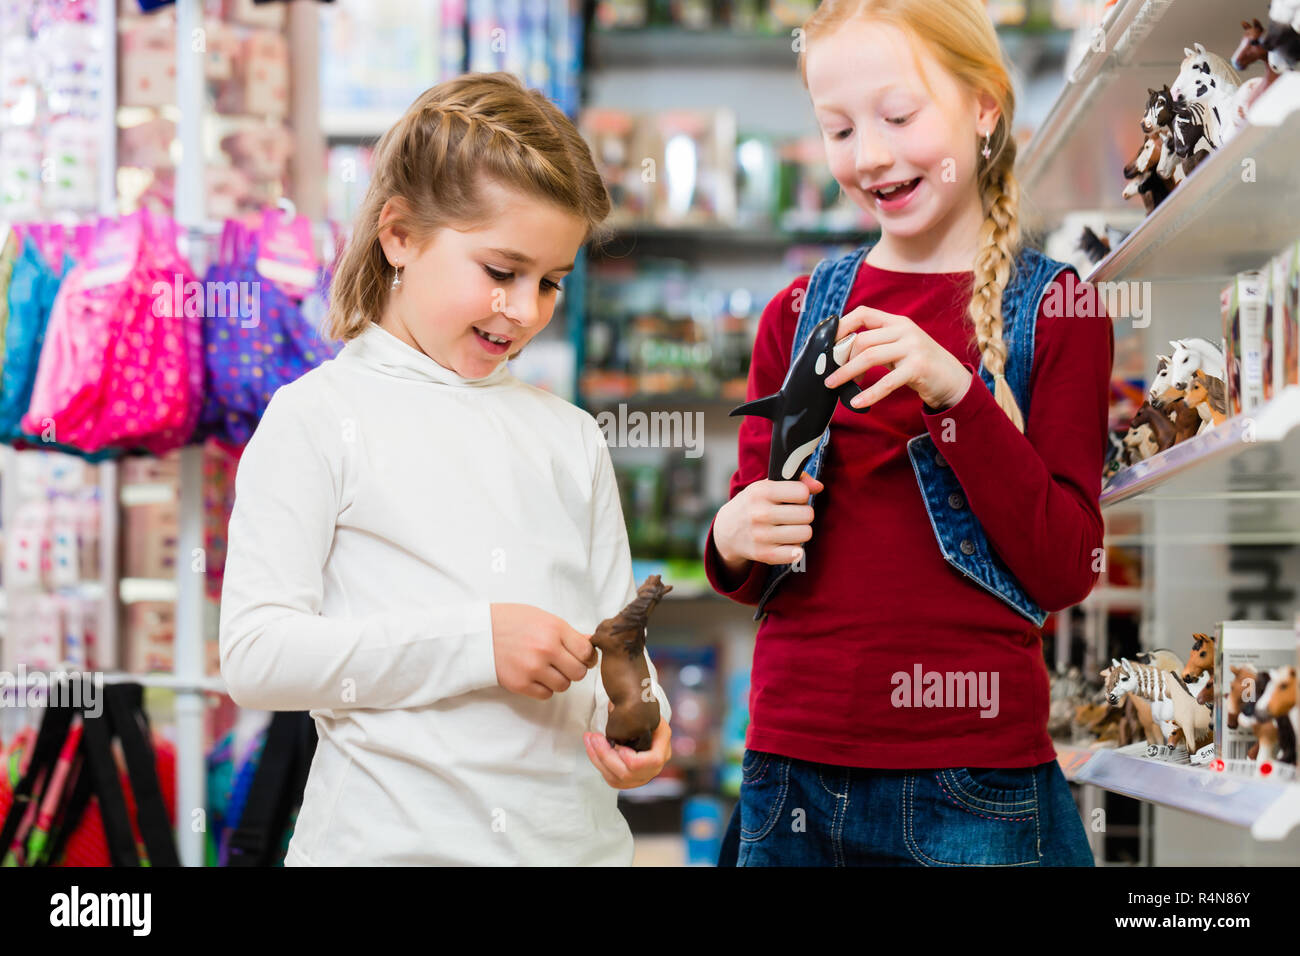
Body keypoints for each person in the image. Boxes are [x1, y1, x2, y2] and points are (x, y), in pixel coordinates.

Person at [219, 72, 672, 866]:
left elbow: (614, 645)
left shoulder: (570, 438)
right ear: (399, 235)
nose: (526, 310)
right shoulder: (317, 419)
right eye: (501, 272)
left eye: (551, 282)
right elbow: (257, 657)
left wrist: (642, 720)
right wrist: (474, 643)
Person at [707, 0, 1112, 866]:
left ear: (982, 107)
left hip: (975, 780)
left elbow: (1066, 563)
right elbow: (754, 546)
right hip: (792, 766)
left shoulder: (1059, 309)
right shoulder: (795, 313)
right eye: (840, 128)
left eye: (899, 116)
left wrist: (957, 393)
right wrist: (731, 536)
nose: (873, 155)